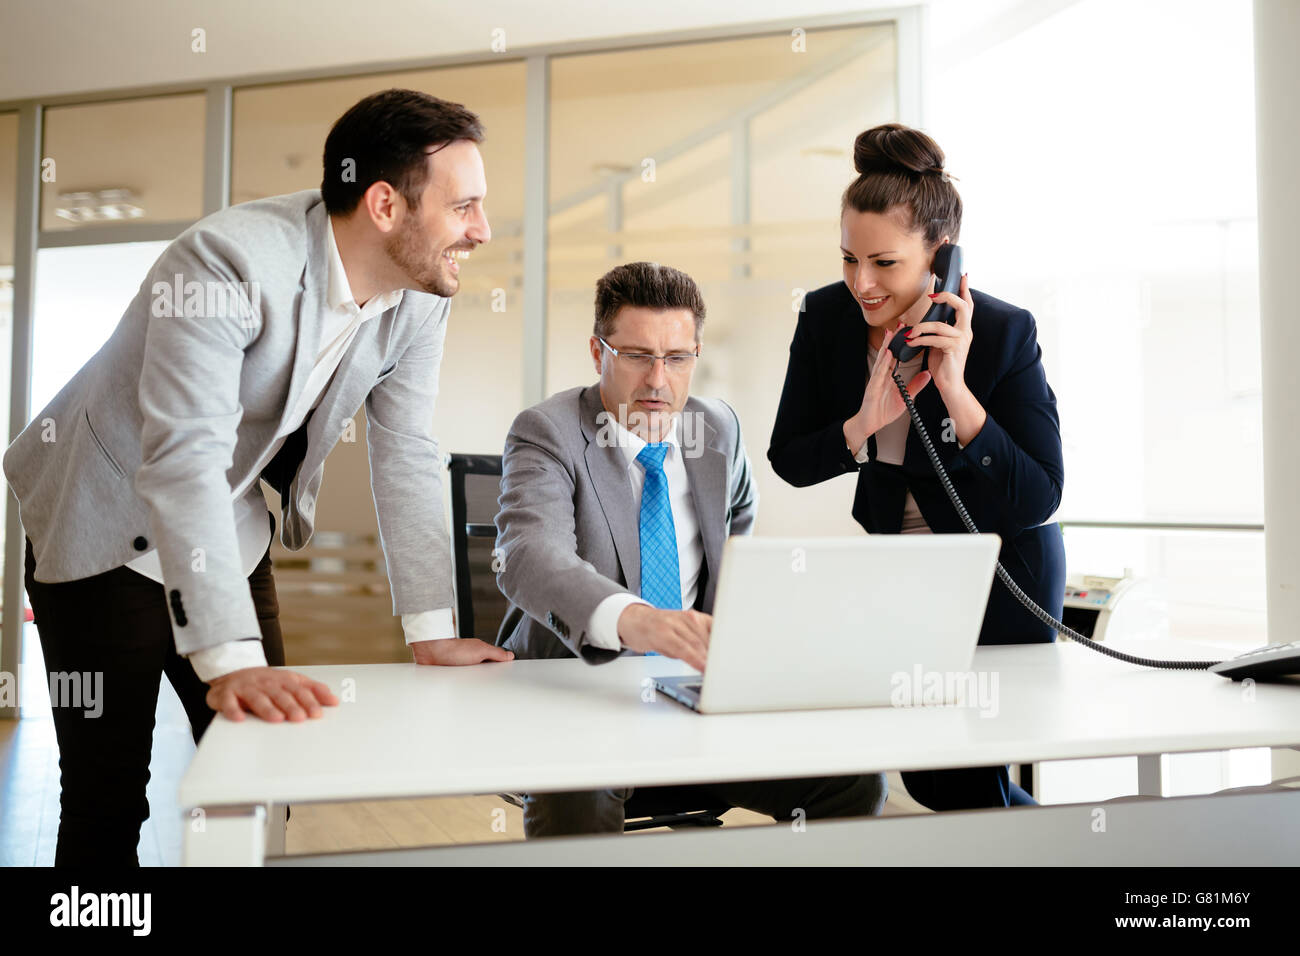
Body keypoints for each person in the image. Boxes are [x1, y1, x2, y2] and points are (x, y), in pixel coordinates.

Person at [4, 88, 513, 866]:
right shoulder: (225, 262)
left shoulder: (418, 299)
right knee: (109, 797)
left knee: (263, 774)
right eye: (464, 207)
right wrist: (231, 662)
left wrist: (431, 631)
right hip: (103, 522)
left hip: (227, 531)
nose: (481, 230)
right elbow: (183, 458)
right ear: (384, 204)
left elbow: (406, 449)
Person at [494, 261, 887, 837]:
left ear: (696, 355)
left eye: (677, 358)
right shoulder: (548, 431)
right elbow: (529, 552)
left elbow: (740, 532)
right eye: (636, 356)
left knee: (852, 779)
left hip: (692, 693)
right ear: (597, 351)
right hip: (577, 693)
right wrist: (637, 622)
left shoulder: (718, 430)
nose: (658, 381)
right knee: (577, 793)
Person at [767, 123, 1066, 811]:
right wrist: (860, 426)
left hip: (1002, 571)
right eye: (848, 259)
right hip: (902, 570)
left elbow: (1040, 494)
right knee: (929, 772)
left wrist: (956, 389)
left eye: (885, 263)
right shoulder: (826, 319)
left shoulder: (1000, 332)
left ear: (942, 257)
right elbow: (790, 459)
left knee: (963, 770)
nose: (861, 283)